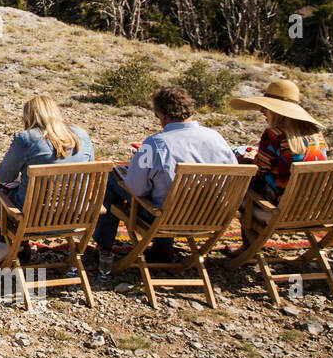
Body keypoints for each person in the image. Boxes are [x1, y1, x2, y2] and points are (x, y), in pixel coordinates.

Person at [92, 86, 235, 276]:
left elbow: (137, 189)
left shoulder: (156, 143)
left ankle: (104, 245)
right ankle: (162, 248)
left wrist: (139, 164)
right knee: (165, 192)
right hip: (210, 216)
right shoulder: (215, 137)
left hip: (166, 218)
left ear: (162, 115)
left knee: (113, 178)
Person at [230, 79, 329, 203]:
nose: (261, 110)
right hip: (312, 205)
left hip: (281, 204)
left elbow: (260, 170)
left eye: (266, 107)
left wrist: (248, 159)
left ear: (277, 111)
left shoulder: (274, 135)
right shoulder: (315, 134)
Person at [0, 95, 94, 208]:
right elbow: (89, 171)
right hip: (76, 213)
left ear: (28, 117)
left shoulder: (28, 139)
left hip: (35, 215)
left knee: (4, 188)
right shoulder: (82, 134)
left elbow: (4, 176)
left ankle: (8, 225)